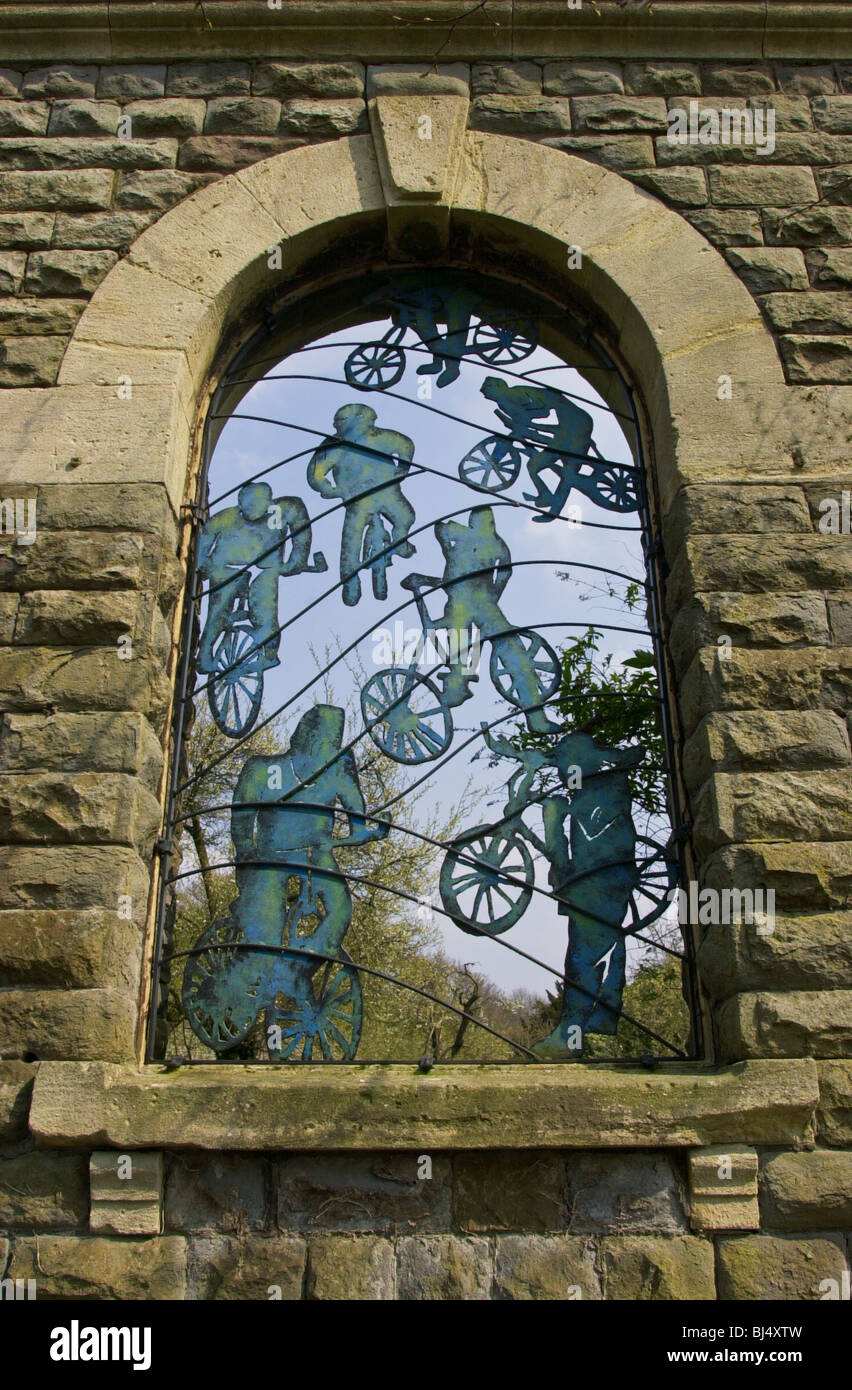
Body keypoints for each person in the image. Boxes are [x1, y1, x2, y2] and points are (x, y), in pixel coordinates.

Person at [482, 724, 644, 1056]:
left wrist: (556, 828)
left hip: (601, 883)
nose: (560, 770)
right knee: (580, 958)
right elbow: (544, 760)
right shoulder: (587, 791)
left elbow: (603, 838)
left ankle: (571, 1038)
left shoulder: (606, 791)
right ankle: (576, 1033)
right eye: (561, 764)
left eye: (568, 763)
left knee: (582, 959)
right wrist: (511, 752)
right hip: (589, 882)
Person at [227, 704, 388, 996]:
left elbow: (358, 823)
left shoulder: (339, 765)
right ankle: (253, 975)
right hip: (269, 857)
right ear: (305, 735)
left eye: (332, 742)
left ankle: (298, 971)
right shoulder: (262, 770)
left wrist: (367, 833)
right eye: (323, 739)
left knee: (339, 910)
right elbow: (241, 824)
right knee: (266, 928)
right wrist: (247, 857)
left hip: (317, 854)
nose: (327, 747)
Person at [402, 506, 556, 732]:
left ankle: (533, 714)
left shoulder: (486, 541)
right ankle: (458, 685)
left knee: (502, 650)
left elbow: (504, 571)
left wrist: (491, 594)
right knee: (475, 648)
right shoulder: (490, 542)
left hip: (476, 603)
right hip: (470, 603)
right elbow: (504, 571)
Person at [196, 481, 314, 673]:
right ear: (240, 504)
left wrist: (296, 561)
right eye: (246, 507)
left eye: (257, 506)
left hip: (265, 569)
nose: (251, 512)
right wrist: (205, 566)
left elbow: (301, 530)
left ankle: (269, 651)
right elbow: (203, 545)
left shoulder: (285, 509)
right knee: (218, 609)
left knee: (265, 608)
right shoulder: (225, 518)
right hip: (227, 568)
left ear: (269, 502)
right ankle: (205, 652)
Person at [307, 403, 416, 606]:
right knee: (351, 543)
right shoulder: (334, 446)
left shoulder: (382, 437)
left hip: (387, 491)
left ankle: (399, 540)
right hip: (357, 498)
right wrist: (330, 489)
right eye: (338, 423)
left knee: (406, 516)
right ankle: (350, 581)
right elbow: (315, 473)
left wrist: (403, 469)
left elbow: (406, 446)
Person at [479, 376, 594, 520]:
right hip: (571, 424)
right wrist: (525, 426)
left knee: (541, 466)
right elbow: (526, 422)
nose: (485, 394)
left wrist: (527, 424)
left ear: (499, 386)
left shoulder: (513, 394)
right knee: (566, 471)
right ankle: (551, 506)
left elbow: (542, 411)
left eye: (487, 389)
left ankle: (548, 499)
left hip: (573, 424)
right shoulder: (504, 402)